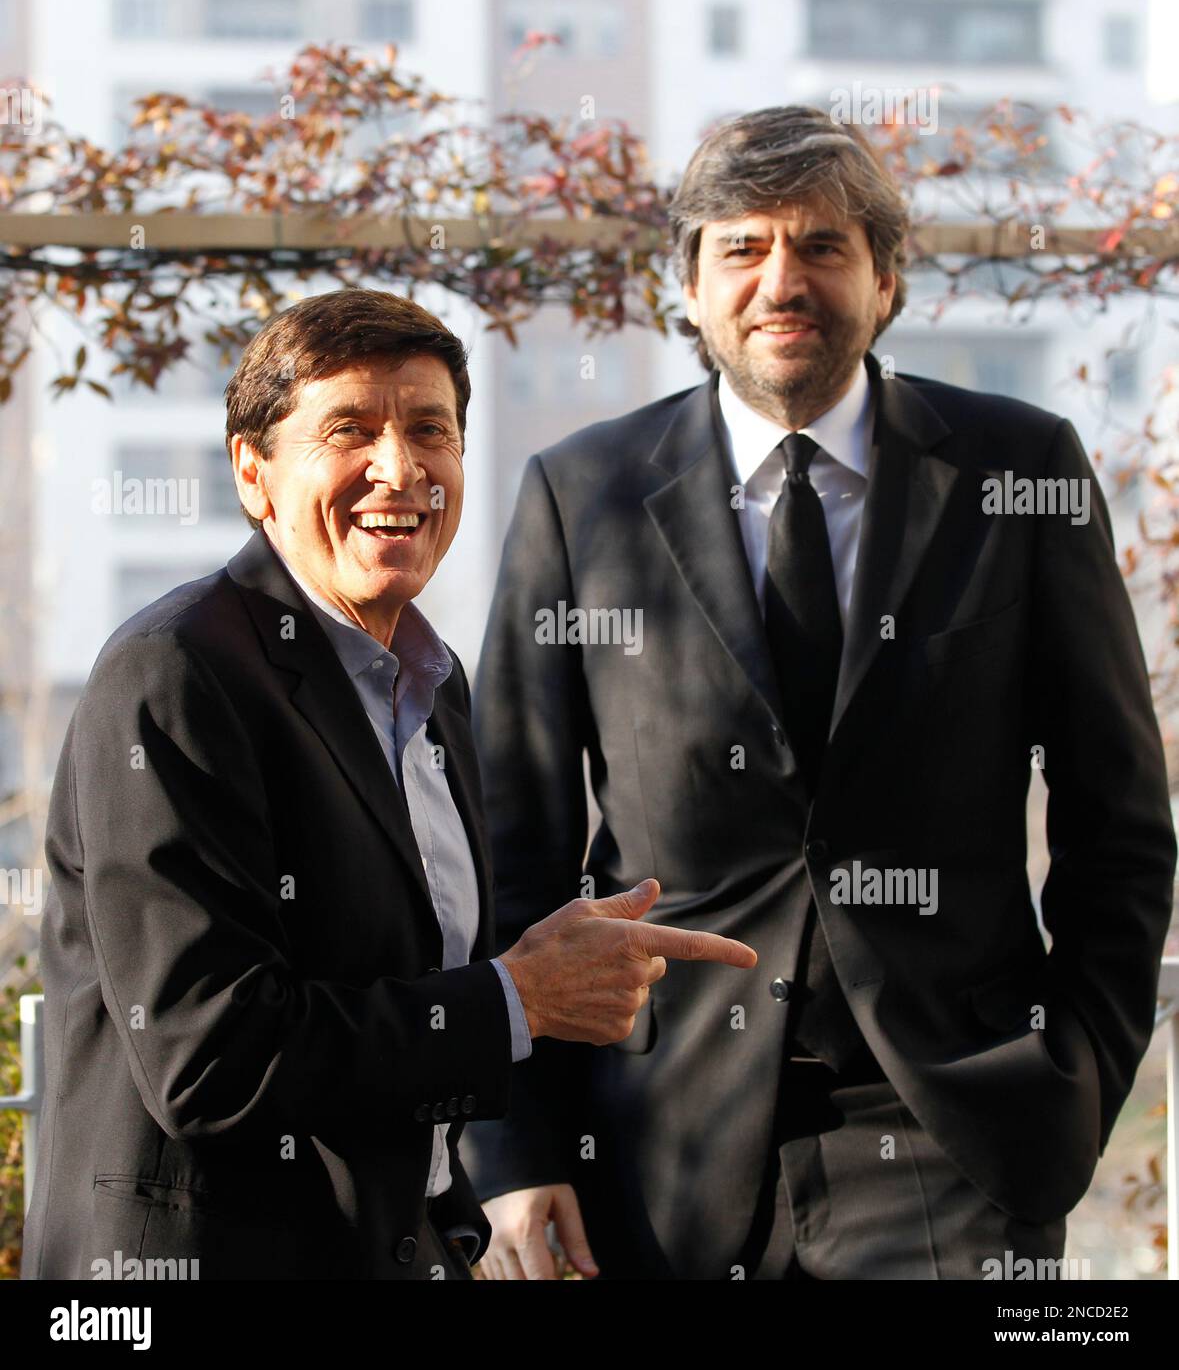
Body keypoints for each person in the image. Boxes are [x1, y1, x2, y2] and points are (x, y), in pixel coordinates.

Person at [463, 107, 1176, 1280]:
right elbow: (514, 852)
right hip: (655, 1153)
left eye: (822, 247)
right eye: (741, 248)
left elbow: (1122, 821)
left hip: (956, 1146)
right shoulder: (577, 495)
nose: (779, 281)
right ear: (688, 286)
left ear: (885, 279)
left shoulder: (1020, 471)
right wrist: (517, 1150)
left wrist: (1072, 1084)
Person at [21, 288, 756, 1281]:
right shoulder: (178, 671)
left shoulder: (436, 683)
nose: (401, 467)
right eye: (349, 430)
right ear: (254, 473)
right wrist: (515, 997)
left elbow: (407, 990)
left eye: (430, 430)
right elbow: (208, 1055)